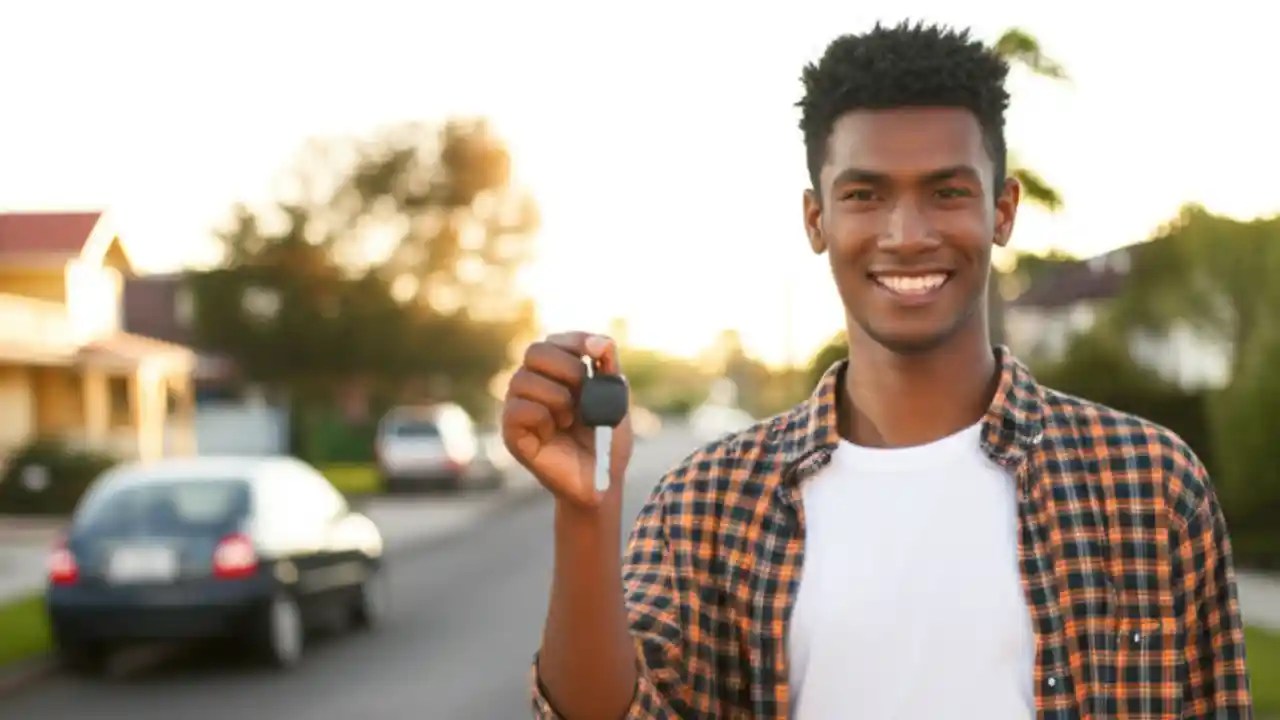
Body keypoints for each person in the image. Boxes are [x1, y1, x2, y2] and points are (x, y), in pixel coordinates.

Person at [502, 20, 1253, 719]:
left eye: (947, 191)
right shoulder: (707, 503)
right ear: (816, 220)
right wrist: (587, 514)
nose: (907, 234)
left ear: (1003, 209)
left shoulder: (1149, 483)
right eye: (865, 195)